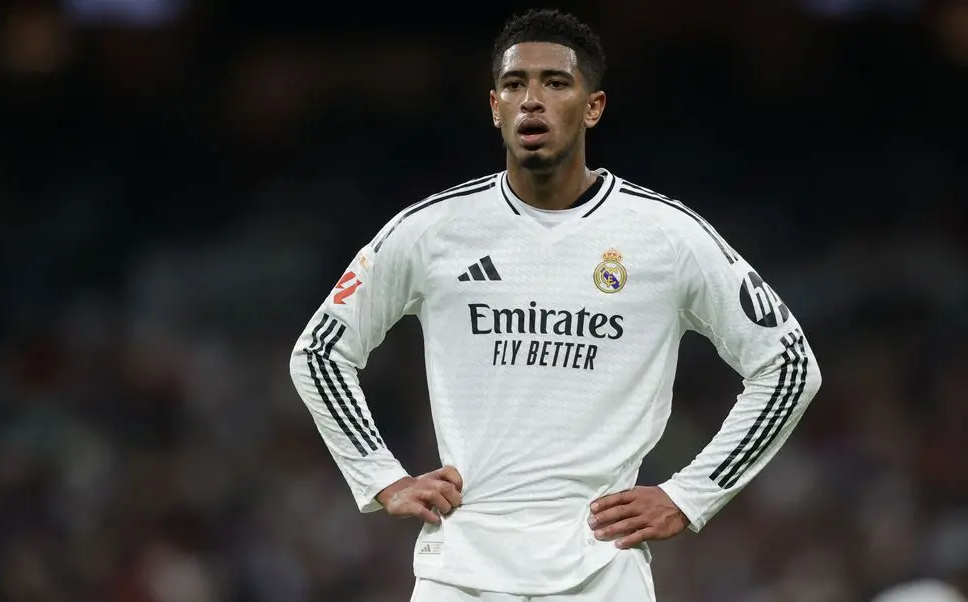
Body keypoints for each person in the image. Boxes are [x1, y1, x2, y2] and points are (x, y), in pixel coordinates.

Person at [288, 8, 822, 601]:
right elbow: (319, 353)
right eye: (515, 85)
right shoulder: (433, 229)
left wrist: (690, 494)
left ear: (593, 106)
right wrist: (382, 478)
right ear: (495, 107)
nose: (532, 101)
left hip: (601, 569)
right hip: (461, 571)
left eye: (556, 83)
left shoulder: (666, 236)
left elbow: (789, 364)